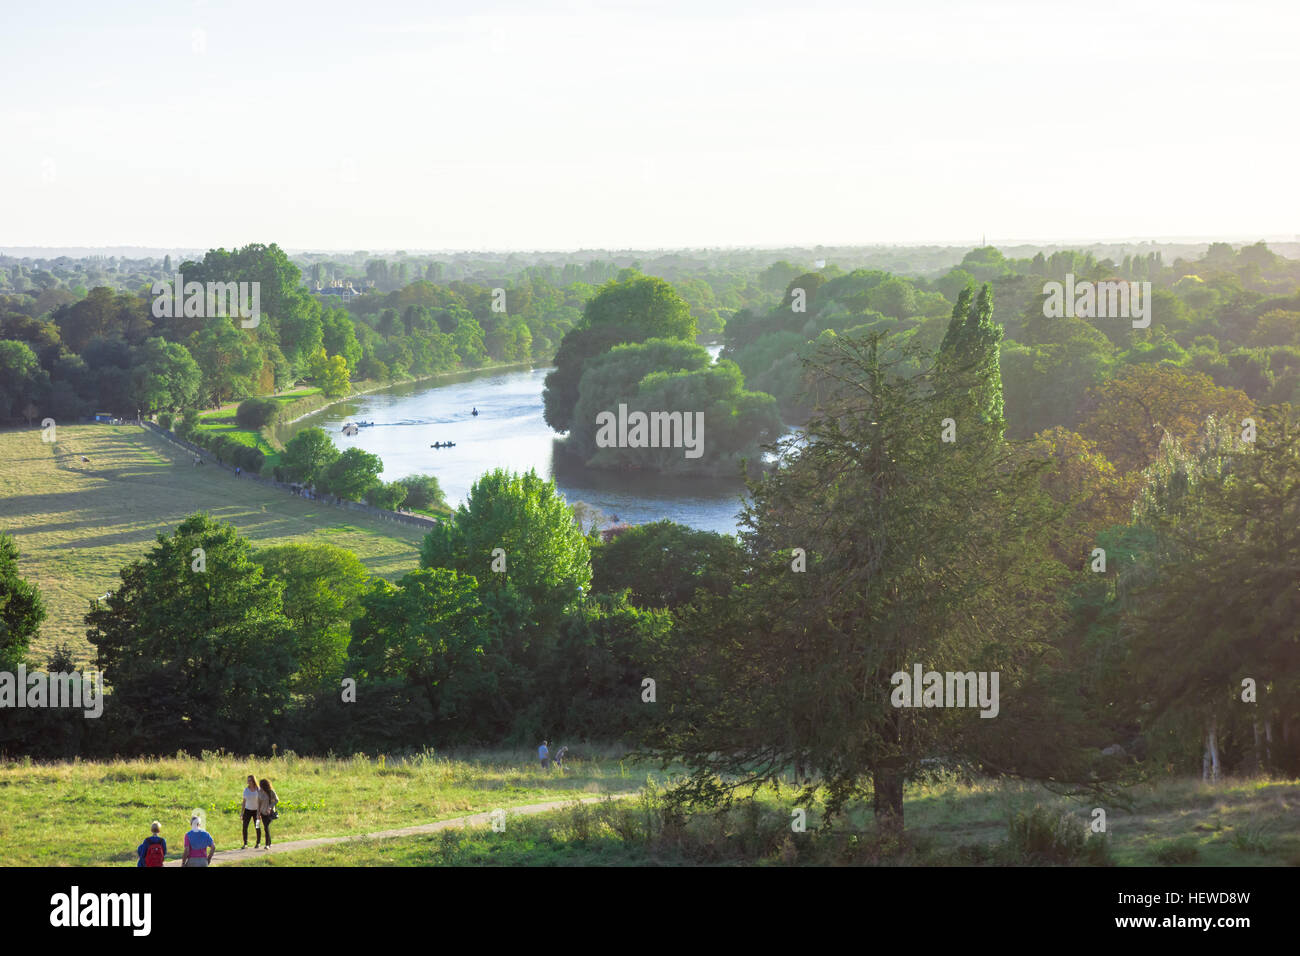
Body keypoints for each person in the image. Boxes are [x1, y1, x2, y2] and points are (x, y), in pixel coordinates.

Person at [255, 777, 279, 848]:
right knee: (266, 827)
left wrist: (270, 807)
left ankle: (267, 844)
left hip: (269, 813)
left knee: (266, 827)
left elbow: (276, 800)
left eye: (261, 785)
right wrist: (258, 813)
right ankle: (270, 842)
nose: (260, 786)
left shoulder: (271, 792)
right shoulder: (259, 792)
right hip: (262, 812)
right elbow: (259, 803)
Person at [241, 775, 260, 848]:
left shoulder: (258, 789)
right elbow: (244, 802)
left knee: (257, 826)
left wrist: (259, 812)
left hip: (256, 811)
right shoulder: (246, 790)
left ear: (253, 781)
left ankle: (258, 842)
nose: (248, 782)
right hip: (247, 810)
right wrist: (242, 813)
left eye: (250, 780)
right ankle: (245, 843)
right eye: (248, 780)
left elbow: (260, 801)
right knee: (244, 827)